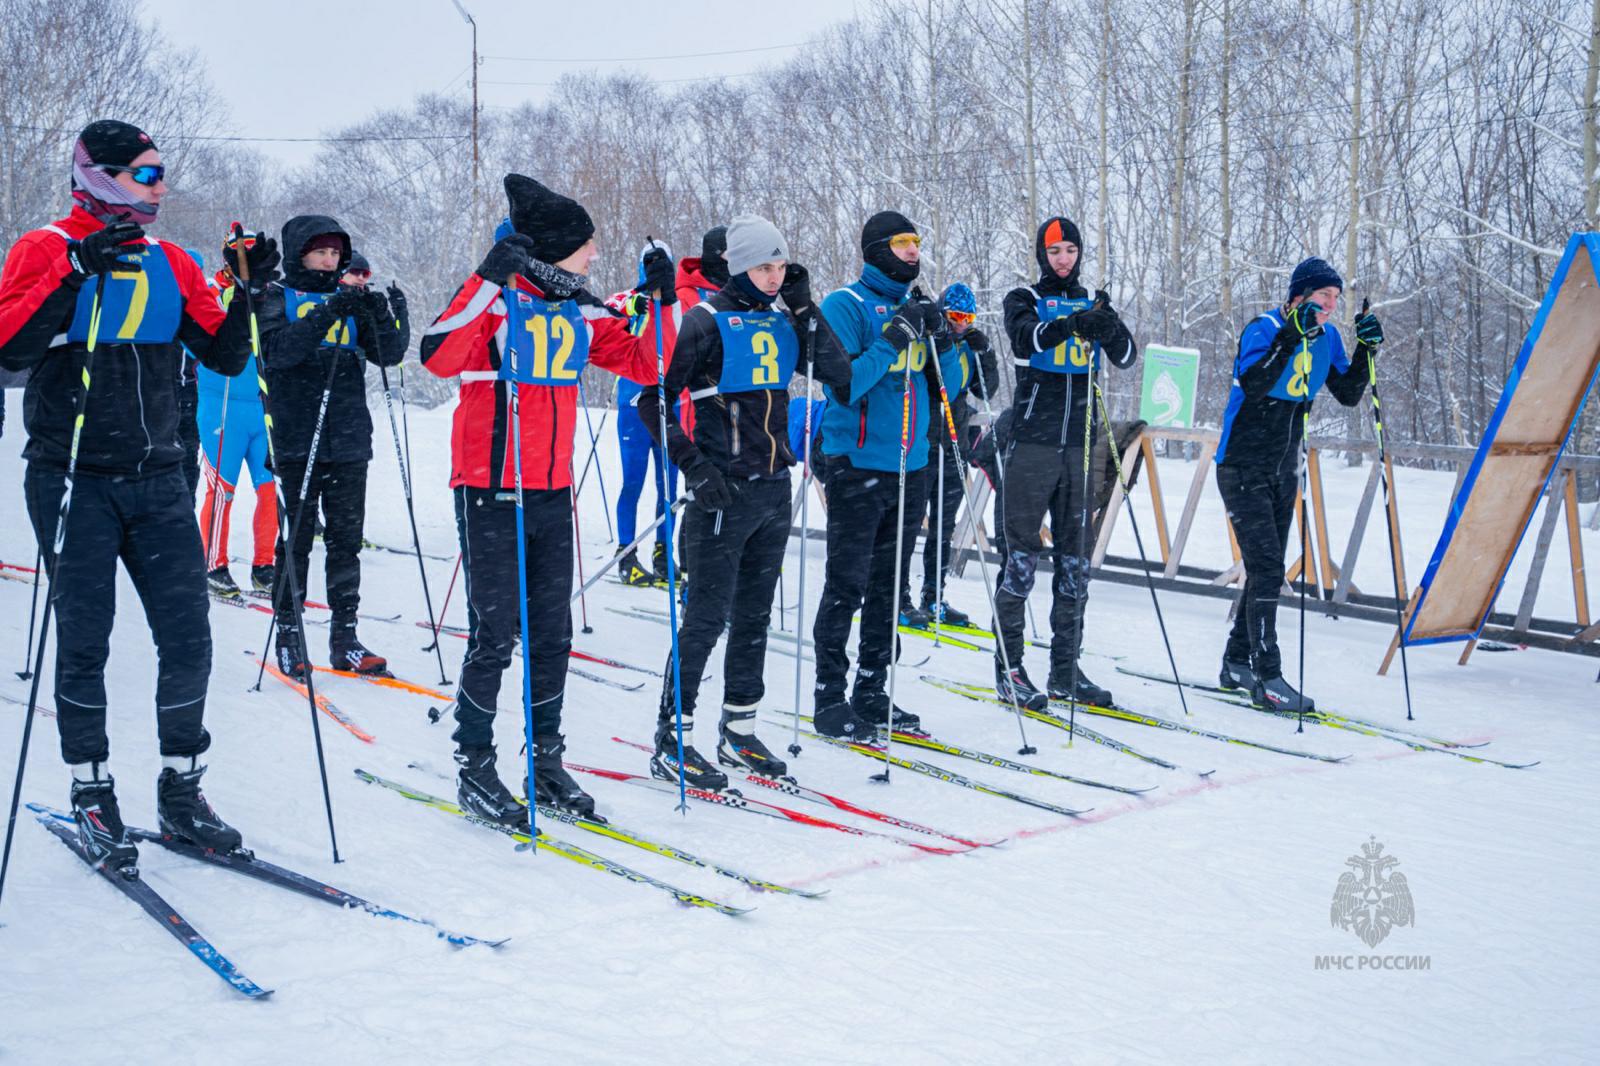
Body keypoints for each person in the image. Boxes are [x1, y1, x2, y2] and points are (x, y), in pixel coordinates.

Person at [0, 119, 277, 869]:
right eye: (147, 175)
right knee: (86, 641)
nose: (159, 187)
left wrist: (250, 290)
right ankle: (92, 794)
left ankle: (182, 792)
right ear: (101, 174)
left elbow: (222, 351)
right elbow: (9, 350)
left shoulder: (172, 262)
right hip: (72, 478)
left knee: (188, 637)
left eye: (160, 175)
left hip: (157, 480)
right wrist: (74, 272)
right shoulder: (45, 247)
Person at [421, 173, 674, 826]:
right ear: (556, 245)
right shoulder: (498, 302)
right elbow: (437, 356)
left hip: (551, 493)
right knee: (495, 635)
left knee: (552, 634)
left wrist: (663, 298)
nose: (594, 255)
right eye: (586, 245)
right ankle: (475, 766)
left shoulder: (581, 308)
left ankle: (547, 761)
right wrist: (484, 277)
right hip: (488, 489)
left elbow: (655, 364)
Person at [638, 214, 850, 788]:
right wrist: (695, 467)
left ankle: (738, 730)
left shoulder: (786, 320)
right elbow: (650, 402)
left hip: (773, 489)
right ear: (739, 266)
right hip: (722, 492)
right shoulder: (705, 322)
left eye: (781, 265)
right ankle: (670, 737)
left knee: (755, 617)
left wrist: (808, 310)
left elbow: (840, 376)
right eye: (764, 266)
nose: (775, 275)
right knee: (705, 619)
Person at [811, 211, 967, 739]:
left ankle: (873, 690)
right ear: (878, 248)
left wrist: (943, 339)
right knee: (847, 585)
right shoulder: (845, 305)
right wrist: (894, 339)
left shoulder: (914, 306)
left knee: (888, 588)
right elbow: (846, 384)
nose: (912, 251)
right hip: (856, 465)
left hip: (911, 465)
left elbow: (953, 386)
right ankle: (829, 696)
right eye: (902, 242)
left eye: (917, 242)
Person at [1215, 257, 1379, 712]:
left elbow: (1347, 393)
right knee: (1268, 570)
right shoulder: (1264, 328)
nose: (1330, 305)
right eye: (1323, 296)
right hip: (1242, 465)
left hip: (1284, 467)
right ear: (1298, 297)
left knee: (1265, 566)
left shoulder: (1327, 336)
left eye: (1335, 299)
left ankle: (1234, 661)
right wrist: (1291, 335)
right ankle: (1268, 676)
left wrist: (1366, 351)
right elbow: (1254, 382)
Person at [994, 217, 1137, 711]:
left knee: (1075, 563)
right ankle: (1009, 669)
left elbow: (1125, 356)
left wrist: (1108, 323)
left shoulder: (1093, 300)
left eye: (1070, 250)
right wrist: (1071, 325)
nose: (1063, 259)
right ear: (1042, 253)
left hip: (1080, 445)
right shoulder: (1025, 299)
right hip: (1032, 444)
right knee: (1020, 560)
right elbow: (1024, 340)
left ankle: (1064, 670)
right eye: (1054, 251)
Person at [258, 217, 405, 680]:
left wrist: (378, 312)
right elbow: (278, 351)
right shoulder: (277, 295)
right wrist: (328, 311)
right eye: (320, 252)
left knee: (346, 543)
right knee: (296, 541)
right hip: (296, 438)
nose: (330, 260)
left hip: (347, 438)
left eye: (336, 253)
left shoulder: (350, 296)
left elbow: (390, 353)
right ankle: (289, 632)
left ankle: (345, 636)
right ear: (300, 252)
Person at [904, 282, 997, 629]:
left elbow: (985, 388)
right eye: (956, 316)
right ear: (943, 313)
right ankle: (899, 596)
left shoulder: (967, 345)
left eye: (968, 317)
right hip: (923, 442)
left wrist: (984, 351)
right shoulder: (931, 340)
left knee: (944, 527)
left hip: (954, 443)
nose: (962, 323)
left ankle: (933, 596)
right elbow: (928, 377)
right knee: (910, 523)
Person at [198, 232, 278, 598]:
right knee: (222, 490)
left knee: (269, 488)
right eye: (238, 254)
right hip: (222, 404)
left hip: (260, 405)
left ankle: (264, 566)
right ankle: (214, 564)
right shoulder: (212, 290)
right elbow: (218, 319)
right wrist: (243, 289)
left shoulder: (267, 291)